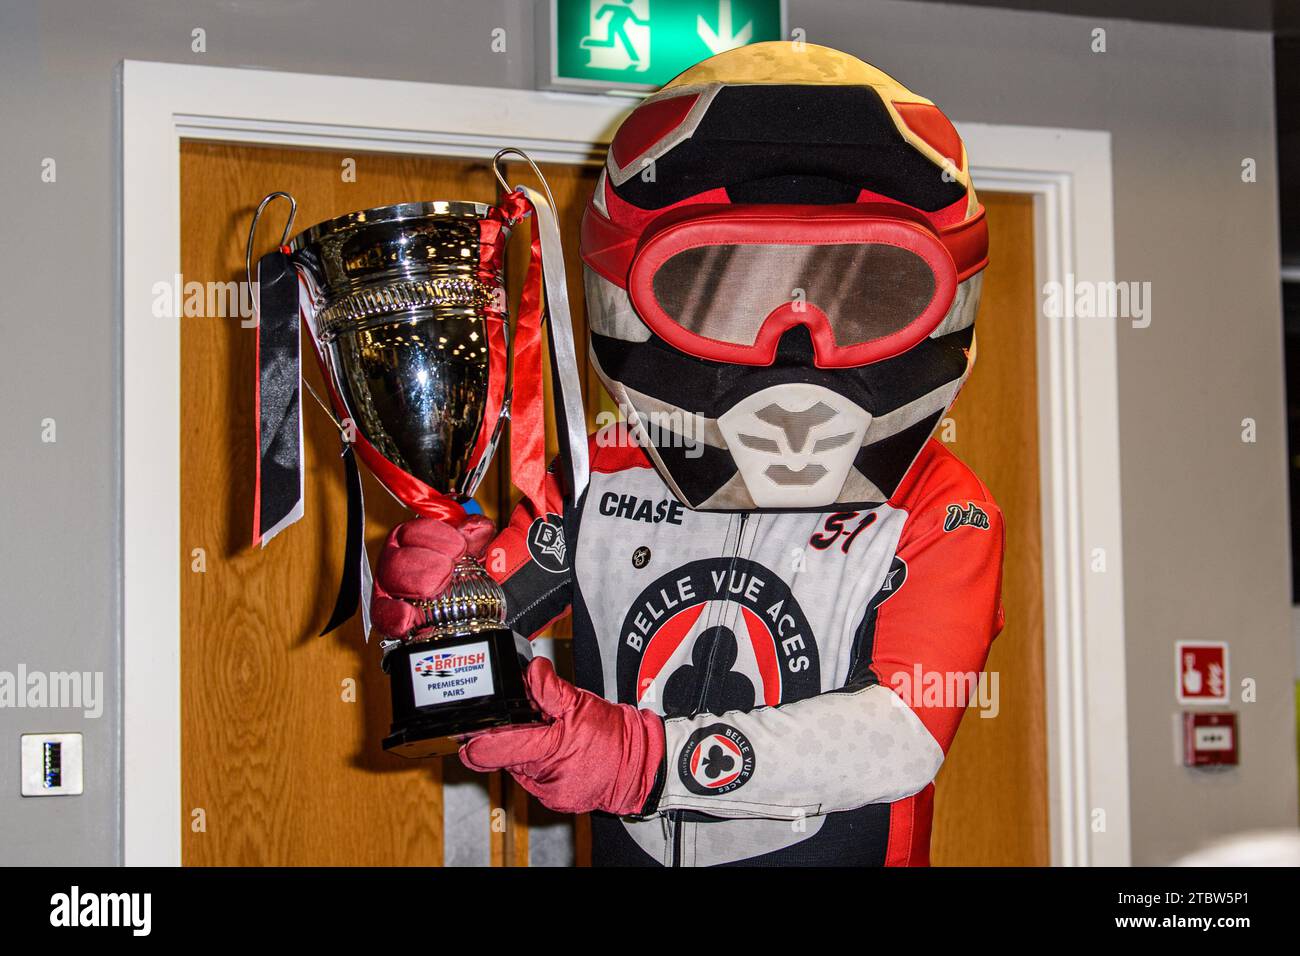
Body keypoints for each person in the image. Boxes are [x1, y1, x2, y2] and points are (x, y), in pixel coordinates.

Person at [372, 41, 1004, 866]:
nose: (794, 340)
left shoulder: (938, 504)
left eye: (860, 290)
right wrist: (431, 619)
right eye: (728, 289)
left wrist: (643, 760)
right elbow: (484, 652)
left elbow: (901, 736)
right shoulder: (604, 475)